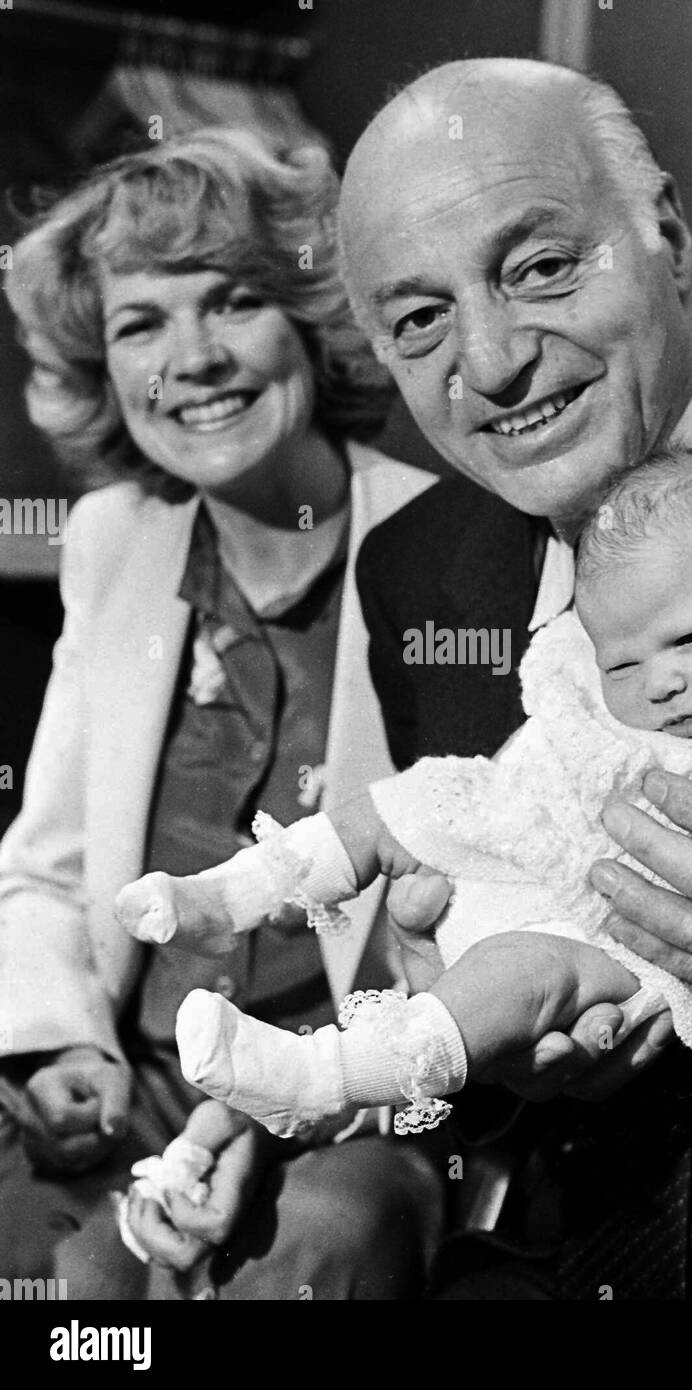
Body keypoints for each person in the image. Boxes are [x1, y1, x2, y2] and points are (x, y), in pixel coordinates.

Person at [338, 58, 692, 1298]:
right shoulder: (419, 571)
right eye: (419, 319)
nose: (489, 362)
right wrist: (473, 1049)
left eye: (541, 267)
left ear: (671, 237)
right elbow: (475, 1095)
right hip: (558, 1253)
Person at [115, 438, 692, 1147]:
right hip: (555, 871)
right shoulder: (417, 568)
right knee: (419, 797)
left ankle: (326, 1078)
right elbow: (525, 773)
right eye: (622, 664)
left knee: (524, 971)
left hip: (631, 952)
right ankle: (236, 893)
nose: (660, 683)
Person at [0, 125, 442, 1299]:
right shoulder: (114, 542)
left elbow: (488, 907)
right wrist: (58, 1046)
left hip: (358, 1090)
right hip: (136, 1073)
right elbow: (44, 871)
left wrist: (301, 1098)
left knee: (311, 1252)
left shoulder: (451, 544)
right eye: (141, 322)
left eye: (232, 301)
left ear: (310, 320)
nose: (190, 358)